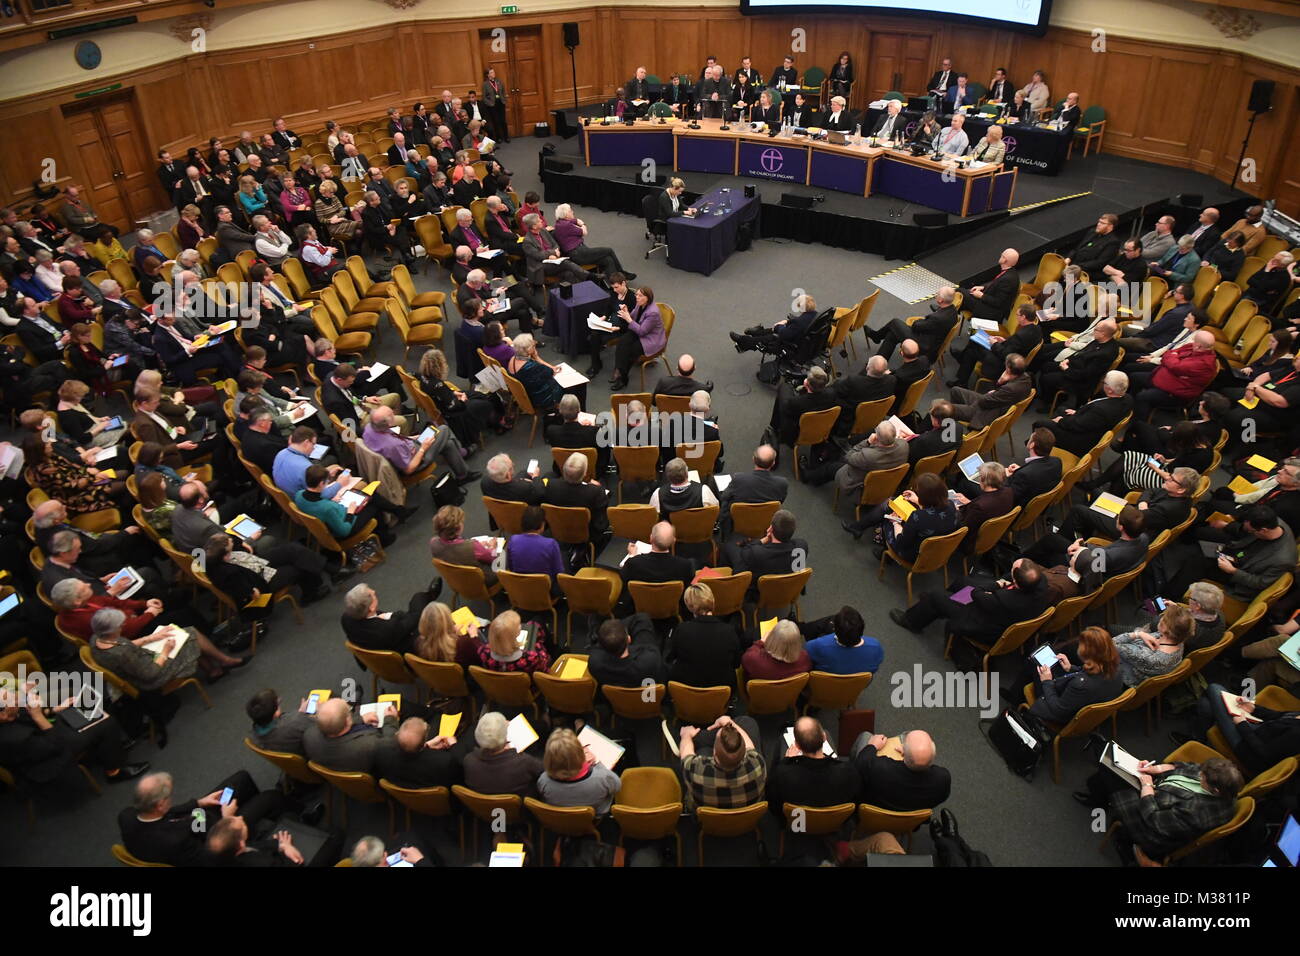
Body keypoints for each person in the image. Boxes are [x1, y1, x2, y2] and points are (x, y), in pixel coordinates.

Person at [1081, 754, 1242, 863]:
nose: (1200, 775)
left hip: (1150, 827)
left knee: (1110, 773)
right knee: (1115, 769)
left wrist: (1147, 786)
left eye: (1203, 777)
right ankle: (1101, 798)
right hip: (1159, 792)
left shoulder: (1196, 812)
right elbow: (1192, 767)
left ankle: (1100, 802)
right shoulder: (1224, 783)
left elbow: (1153, 819)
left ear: (1216, 790)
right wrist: (1158, 769)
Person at [119, 770, 281, 866]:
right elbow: (213, 857)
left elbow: (168, 813)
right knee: (271, 797)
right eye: (168, 797)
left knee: (241, 779)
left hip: (197, 822)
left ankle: (253, 818)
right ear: (160, 805)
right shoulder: (177, 841)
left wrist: (199, 803)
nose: (172, 799)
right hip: (214, 835)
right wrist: (227, 820)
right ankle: (251, 833)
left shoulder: (127, 816)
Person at [889, 558, 1052, 645]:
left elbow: (976, 594)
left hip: (982, 622)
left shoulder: (1006, 600)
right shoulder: (1039, 581)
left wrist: (997, 584)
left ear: (1016, 582)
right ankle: (938, 606)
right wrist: (1002, 584)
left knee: (936, 596)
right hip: (995, 609)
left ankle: (911, 621)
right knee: (963, 581)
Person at [766, 717, 860, 816]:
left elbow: (773, 803)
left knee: (783, 737)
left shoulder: (782, 774)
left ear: (797, 746)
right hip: (835, 824)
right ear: (824, 737)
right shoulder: (848, 771)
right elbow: (855, 800)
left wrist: (786, 761)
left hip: (797, 825)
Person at [679, 715, 766, 811]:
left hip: (707, 821)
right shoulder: (758, 764)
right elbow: (750, 746)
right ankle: (700, 737)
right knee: (748, 722)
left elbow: (685, 754)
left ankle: (698, 737)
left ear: (714, 753)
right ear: (744, 753)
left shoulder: (696, 771)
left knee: (702, 750)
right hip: (747, 818)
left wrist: (686, 735)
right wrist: (728, 722)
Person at [852, 729, 951, 812]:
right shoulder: (943, 779)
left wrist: (872, 746)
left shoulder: (880, 769)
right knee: (904, 734)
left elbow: (861, 764)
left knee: (866, 735)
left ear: (903, 753)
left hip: (872, 813)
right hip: (909, 821)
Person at [665, 585, 741, 689]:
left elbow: (670, 657)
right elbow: (736, 663)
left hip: (686, 690)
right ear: (712, 601)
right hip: (722, 692)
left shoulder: (682, 630)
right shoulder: (729, 631)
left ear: (689, 605)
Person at [302, 697, 397, 774]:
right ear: (348, 720)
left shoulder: (308, 736)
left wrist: (360, 719)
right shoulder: (369, 745)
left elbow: (331, 723)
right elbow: (390, 747)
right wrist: (390, 720)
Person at [537, 728, 621, 815]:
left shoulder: (544, 780)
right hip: (595, 819)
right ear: (580, 755)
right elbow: (617, 787)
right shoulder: (603, 777)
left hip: (557, 821)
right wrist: (597, 763)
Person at [865, 285, 959, 362]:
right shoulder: (953, 311)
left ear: (940, 300)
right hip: (930, 338)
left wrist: (919, 321)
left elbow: (916, 326)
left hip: (923, 346)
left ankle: (877, 338)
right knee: (892, 334)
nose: (936, 295)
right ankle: (878, 362)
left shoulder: (937, 318)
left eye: (937, 294)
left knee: (895, 323)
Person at [340, 582, 436, 655]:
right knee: (418, 600)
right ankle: (429, 595)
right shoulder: (388, 628)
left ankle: (428, 596)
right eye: (373, 595)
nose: (374, 591)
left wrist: (383, 617)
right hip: (403, 652)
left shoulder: (346, 619)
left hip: (377, 652)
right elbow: (412, 619)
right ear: (372, 607)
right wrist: (395, 616)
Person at [464, 711, 544, 797]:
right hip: (519, 808)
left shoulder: (469, 761)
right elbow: (545, 771)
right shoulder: (524, 762)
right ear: (506, 737)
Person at [374, 716, 465, 790]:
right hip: (441, 806)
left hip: (402, 799)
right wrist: (454, 745)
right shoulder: (445, 762)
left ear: (397, 734)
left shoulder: (382, 754)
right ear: (426, 737)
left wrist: (427, 746)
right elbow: (460, 778)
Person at [1111, 604, 1192, 687]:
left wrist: (1138, 634)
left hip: (1127, 676)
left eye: (1163, 617)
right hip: (1146, 669)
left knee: (1103, 636)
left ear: (1164, 628)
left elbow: (1111, 644)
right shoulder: (1179, 640)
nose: (1161, 617)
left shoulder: (1147, 656)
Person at [607, 285, 664, 391]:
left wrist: (628, 319)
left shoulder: (653, 313)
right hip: (637, 330)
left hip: (649, 339)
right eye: (636, 294)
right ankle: (619, 369)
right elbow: (632, 317)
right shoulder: (640, 304)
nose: (637, 297)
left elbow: (642, 332)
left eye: (640, 295)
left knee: (630, 352)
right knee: (622, 343)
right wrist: (626, 311)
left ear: (647, 298)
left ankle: (623, 378)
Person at [587, 615, 667, 687]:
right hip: (646, 697)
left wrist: (614, 632)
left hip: (615, 697)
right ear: (629, 639)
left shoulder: (594, 663)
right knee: (642, 619)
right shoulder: (650, 661)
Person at [429, 504, 498, 585]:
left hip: (457, 581)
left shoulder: (433, 543)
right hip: (482, 581)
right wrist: (492, 547)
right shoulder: (473, 546)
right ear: (458, 529)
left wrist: (478, 548)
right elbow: (493, 559)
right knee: (503, 554)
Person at [805, 606, 883, 675]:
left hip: (820, 686)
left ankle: (801, 627)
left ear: (835, 630)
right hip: (854, 688)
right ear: (862, 628)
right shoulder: (876, 646)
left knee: (828, 622)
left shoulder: (820, 645)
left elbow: (807, 649)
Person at [503, 505, 565, 587]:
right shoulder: (551, 544)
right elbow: (559, 572)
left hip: (519, 586)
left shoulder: (513, 540)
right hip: (544, 588)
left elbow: (511, 566)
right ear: (542, 524)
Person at [475, 609, 550, 674]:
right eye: (519, 626)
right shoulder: (531, 657)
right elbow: (544, 664)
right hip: (528, 686)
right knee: (536, 622)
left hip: (501, 685)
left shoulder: (483, 652)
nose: (521, 626)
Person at [741, 619, 812, 681]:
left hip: (760, 695)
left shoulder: (753, 659)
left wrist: (761, 642)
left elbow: (744, 661)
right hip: (791, 694)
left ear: (771, 639)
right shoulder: (805, 660)